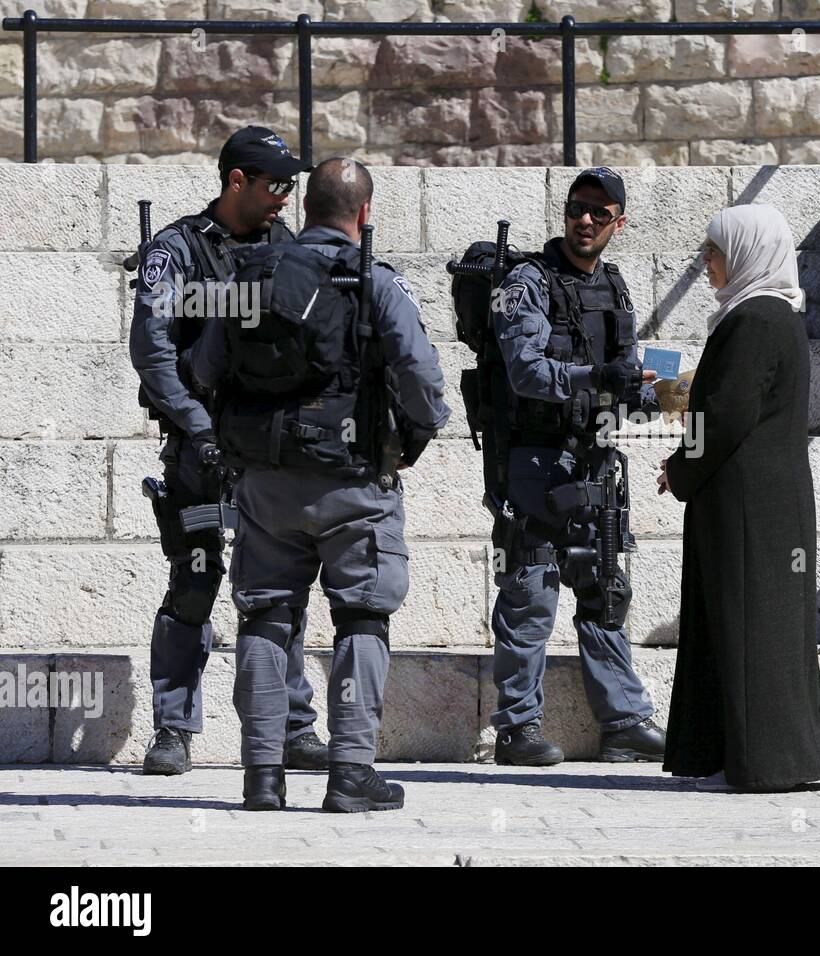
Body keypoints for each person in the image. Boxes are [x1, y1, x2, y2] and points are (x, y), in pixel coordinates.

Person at [192, 157, 451, 811]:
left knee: (264, 616)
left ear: (304, 208)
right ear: (364, 214)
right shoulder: (374, 281)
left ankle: (262, 777)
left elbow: (202, 368)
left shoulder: (248, 276)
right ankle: (348, 776)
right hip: (354, 484)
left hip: (266, 483)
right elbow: (421, 377)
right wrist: (414, 440)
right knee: (362, 616)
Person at [128, 126, 327, 776]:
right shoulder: (176, 250)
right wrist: (199, 428)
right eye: (275, 185)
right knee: (194, 577)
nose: (285, 198)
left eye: (292, 187)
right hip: (201, 450)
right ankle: (172, 731)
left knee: (278, 590)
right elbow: (152, 353)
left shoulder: (285, 246)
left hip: (271, 451)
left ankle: (293, 726)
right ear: (236, 181)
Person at [657, 204, 820, 793]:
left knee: (753, 628)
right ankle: (752, 752)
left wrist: (680, 466)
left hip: (749, 507)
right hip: (759, 501)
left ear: (745, 253)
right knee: (750, 626)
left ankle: (772, 760)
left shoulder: (755, 320)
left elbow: (724, 415)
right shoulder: (768, 314)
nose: (706, 262)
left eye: (714, 252)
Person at [485, 167, 666, 766]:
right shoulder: (527, 282)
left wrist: (663, 390)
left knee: (605, 588)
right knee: (530, 595)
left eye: (599, 210)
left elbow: (628, 375)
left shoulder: (614, 287)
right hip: (535, 462)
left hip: (598, 460)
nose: (584, 219)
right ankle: (517, 729)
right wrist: (597, 377)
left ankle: (623, 723)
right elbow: (526, 372)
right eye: (575, 207)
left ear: (619, 221)